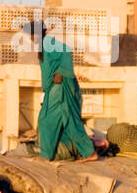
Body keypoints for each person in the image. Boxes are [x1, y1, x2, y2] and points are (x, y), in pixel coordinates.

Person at [32, 23, 97, 161]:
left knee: (46, 120)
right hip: (55, 87)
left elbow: (66, 51)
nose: (31, 38)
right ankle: (88, 152)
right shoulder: (44, 44)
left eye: (31, 35)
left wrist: (60, 73)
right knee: (69, 122)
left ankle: (46, 156)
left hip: (60, 87)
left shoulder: (48, 43)